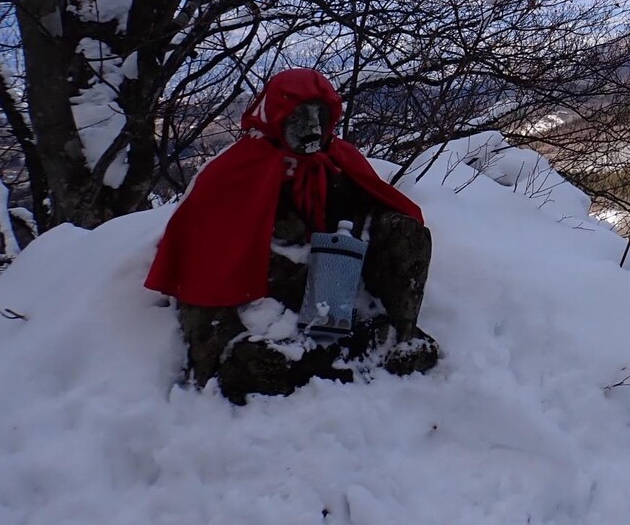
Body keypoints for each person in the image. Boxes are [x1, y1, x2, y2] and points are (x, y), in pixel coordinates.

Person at [146, 68, 437, 401]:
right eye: (299, 116)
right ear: (277, 117)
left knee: (404, 234)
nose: (313, 127)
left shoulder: (337, 161)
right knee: (259, 365)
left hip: (332, 291)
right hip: (265, 296)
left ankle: (395, 336)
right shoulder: (235, 172)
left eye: (320, 116)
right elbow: (204, 262)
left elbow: (384, 210)